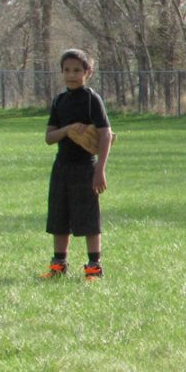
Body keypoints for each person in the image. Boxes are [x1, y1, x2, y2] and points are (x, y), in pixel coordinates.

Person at [42, 49, 113, 280]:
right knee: (59, 217)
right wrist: (68, 129)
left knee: (88, 219)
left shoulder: (92, 99)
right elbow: (49, 137)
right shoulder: (59, 101)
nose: (71, 75)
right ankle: (58, 265)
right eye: (67, 70)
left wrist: (99, 170)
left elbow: (106, 134)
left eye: (77, 70)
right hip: (62, 166)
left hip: (85, 167)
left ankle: (94, 267)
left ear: (88, 72)